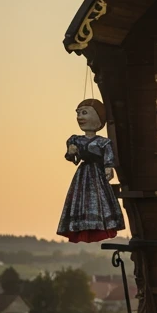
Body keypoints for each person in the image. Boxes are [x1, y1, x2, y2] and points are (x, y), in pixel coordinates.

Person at [57, 99, 125, 242]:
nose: (80, 117)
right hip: (83, 174)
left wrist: (108, 168)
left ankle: (100, 224)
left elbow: (109, 158)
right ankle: (82, 224)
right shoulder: (76, 140)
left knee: (100, 198)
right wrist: (71, 152)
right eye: (78, 113)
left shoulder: (103, 142)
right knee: (81, 199)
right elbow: (71, 158)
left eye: (84, 113)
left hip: (97, 174)